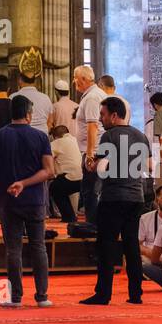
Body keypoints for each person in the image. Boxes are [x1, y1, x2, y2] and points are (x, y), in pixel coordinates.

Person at [80, 97, 149, 306]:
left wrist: (90, 163)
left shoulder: (109, 136)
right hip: (136, 197)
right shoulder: (141, 136)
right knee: (131, 246)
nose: (101, 119)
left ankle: (103, 294)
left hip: (113, 197)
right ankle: (136, 294)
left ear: (114, 115)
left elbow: (101, 168)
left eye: (103, 114)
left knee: (106, 247)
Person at [0, 94, 53, 309]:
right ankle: (42, 296)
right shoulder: (41, 137)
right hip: (35, 200)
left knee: (13, 249)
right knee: (38, 247)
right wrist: (25, 183)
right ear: (28, 114)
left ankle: (15, 297)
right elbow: (49, 171)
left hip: (7, 200)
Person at [73, 65, 107, 225]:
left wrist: (89, 154)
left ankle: (93, 226)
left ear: (84, 79)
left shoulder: (92, 97)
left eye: (75, 78)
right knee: (91, 191)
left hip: (95, 152)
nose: (74, 81)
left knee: (91, 192)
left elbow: (92, 126)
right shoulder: (93, 95)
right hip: (97, 150)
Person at [48, 124, 83, 225]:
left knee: (54, 188)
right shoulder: (74, 140)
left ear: (55, 136)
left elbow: (47, 156)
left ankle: (69, 217)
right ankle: (71, 215)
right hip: (81, 178)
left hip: (70, 177)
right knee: (62, 188)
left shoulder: (57, 142)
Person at [11, 67, 53, 135]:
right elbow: (50, 121)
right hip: (41, 136)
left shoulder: (13, 97)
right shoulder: (46, 98)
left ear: (20, 80)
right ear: (35, 81)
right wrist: (43, 135)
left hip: (20, 137)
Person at [138, 181, 162, 254]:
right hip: (152, 262)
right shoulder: (145, 219)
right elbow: (137, 244)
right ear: (156, 201)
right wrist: (152, 254)